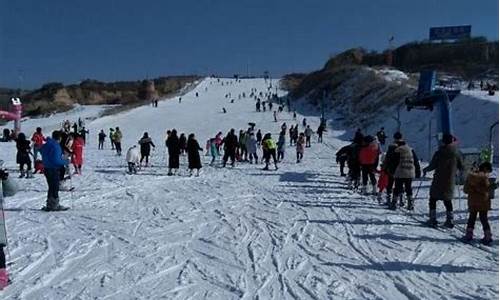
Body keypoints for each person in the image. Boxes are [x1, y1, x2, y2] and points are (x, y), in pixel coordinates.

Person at [422, 134, 463, 228]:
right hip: (450, 180)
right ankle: (450, 219)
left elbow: (432, 165)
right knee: (447, 200)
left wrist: (425, 170)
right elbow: (462, 166)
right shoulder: (456, 153)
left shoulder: (439, 152)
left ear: (443, 141)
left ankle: (433, 219)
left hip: (438, 180)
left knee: (433, 199)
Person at [463, 162, 494, 245]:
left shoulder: (470, 176)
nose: (488, 173)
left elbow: (465, 190)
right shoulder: (484, 178)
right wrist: (492, 187)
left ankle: (469, 235)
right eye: (488, 171)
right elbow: (486, 189)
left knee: (472, 218)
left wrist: (473, 189)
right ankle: (487, 236)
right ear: (485, 169)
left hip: (473, 201)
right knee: (484, 219)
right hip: (483, 201)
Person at [40, 131, 69, 211]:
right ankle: (55, 205)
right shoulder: (56, 146)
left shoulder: (46, 144)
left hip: (46, 168)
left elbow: (41, 151)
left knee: (51, 187)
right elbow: (56, 160)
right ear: (59, 138)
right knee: (55, 187)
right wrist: (66, 161)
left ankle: (50, 204)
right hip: (53, 168)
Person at [389, 139, 421, 210]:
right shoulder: (411, 150)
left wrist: (391, 171)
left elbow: (393, 162)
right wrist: (418, 172)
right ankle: (410, 203)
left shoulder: (397, 151)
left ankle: (394, 203)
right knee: (408, 188)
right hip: (410, 172)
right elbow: (416, 161)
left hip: (400, 172)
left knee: (397, 188)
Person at [381, 132, 403, 205]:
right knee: (399, 184)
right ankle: (400, 199)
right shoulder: (405, 146)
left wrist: (384, 168)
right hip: (402, 169)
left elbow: (387, 158)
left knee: (390, 183)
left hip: (392, 168)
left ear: (394, 138)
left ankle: (389, 198)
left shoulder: (391, 147)